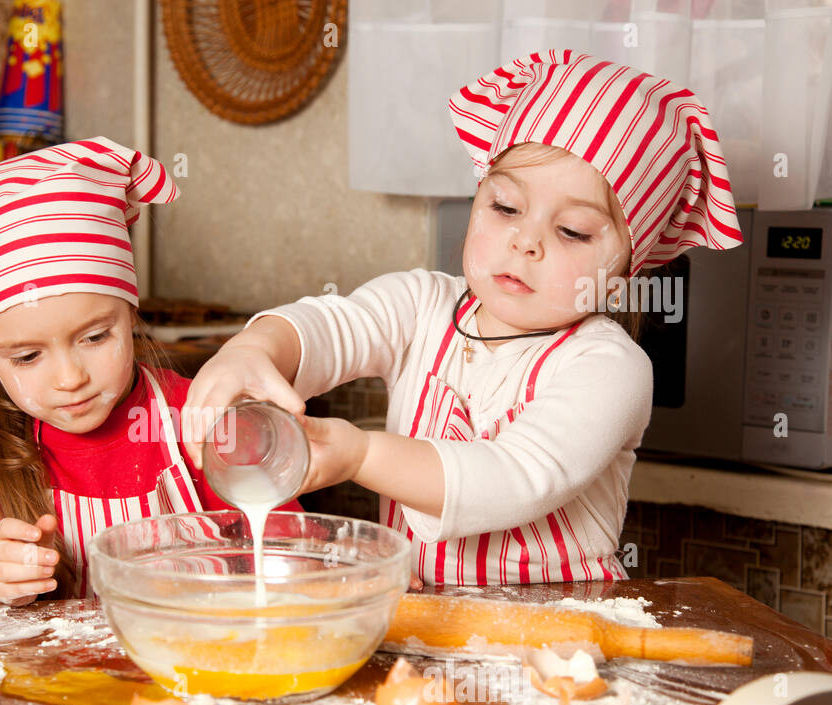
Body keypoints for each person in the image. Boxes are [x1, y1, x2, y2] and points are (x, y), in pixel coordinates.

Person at [182, 50, 743, 586]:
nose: (526, 242)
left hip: (559, 642)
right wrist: (254, 350)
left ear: (626, 268)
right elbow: (333, 327)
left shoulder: (609, 368)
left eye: (571, 230)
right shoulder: (421, 305)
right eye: (505, 207)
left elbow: (514, 477)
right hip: (425, 628)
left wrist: (359, 453)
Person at [0, 137, 287, 604]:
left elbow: (289, 559)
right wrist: (4, 591)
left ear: (130, 314)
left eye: (95, 337)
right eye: (26, 357)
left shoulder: (204, 418)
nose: (70, 378)